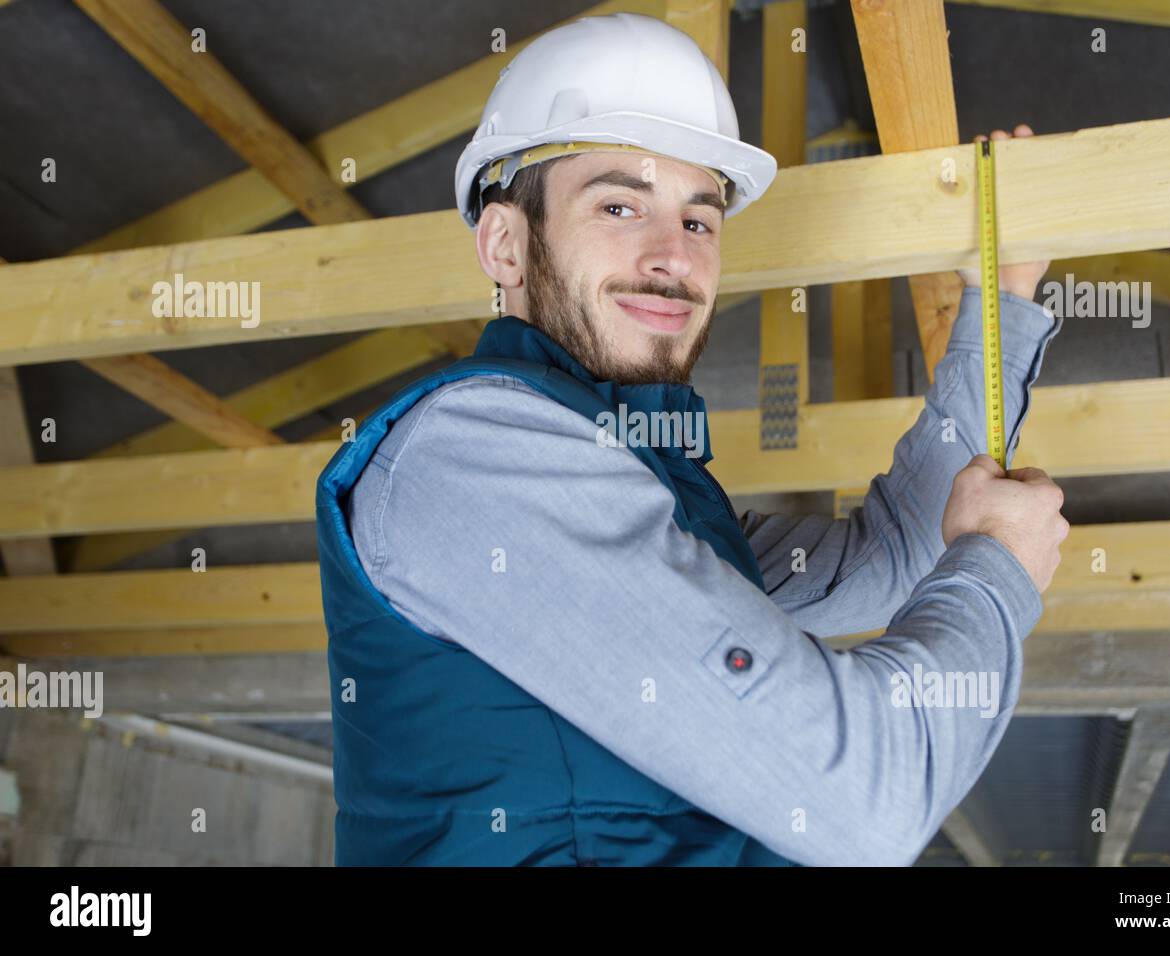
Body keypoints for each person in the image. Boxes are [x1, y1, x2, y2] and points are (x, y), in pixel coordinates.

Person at [316, 12, 1068, 866]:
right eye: (619, 205)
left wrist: (999, 306)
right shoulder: (471, 456)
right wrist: (999, 569)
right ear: (505, 244)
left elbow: (897, 556)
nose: (672, 256)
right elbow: (864, 799)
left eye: (700, 220)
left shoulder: (651, 496)